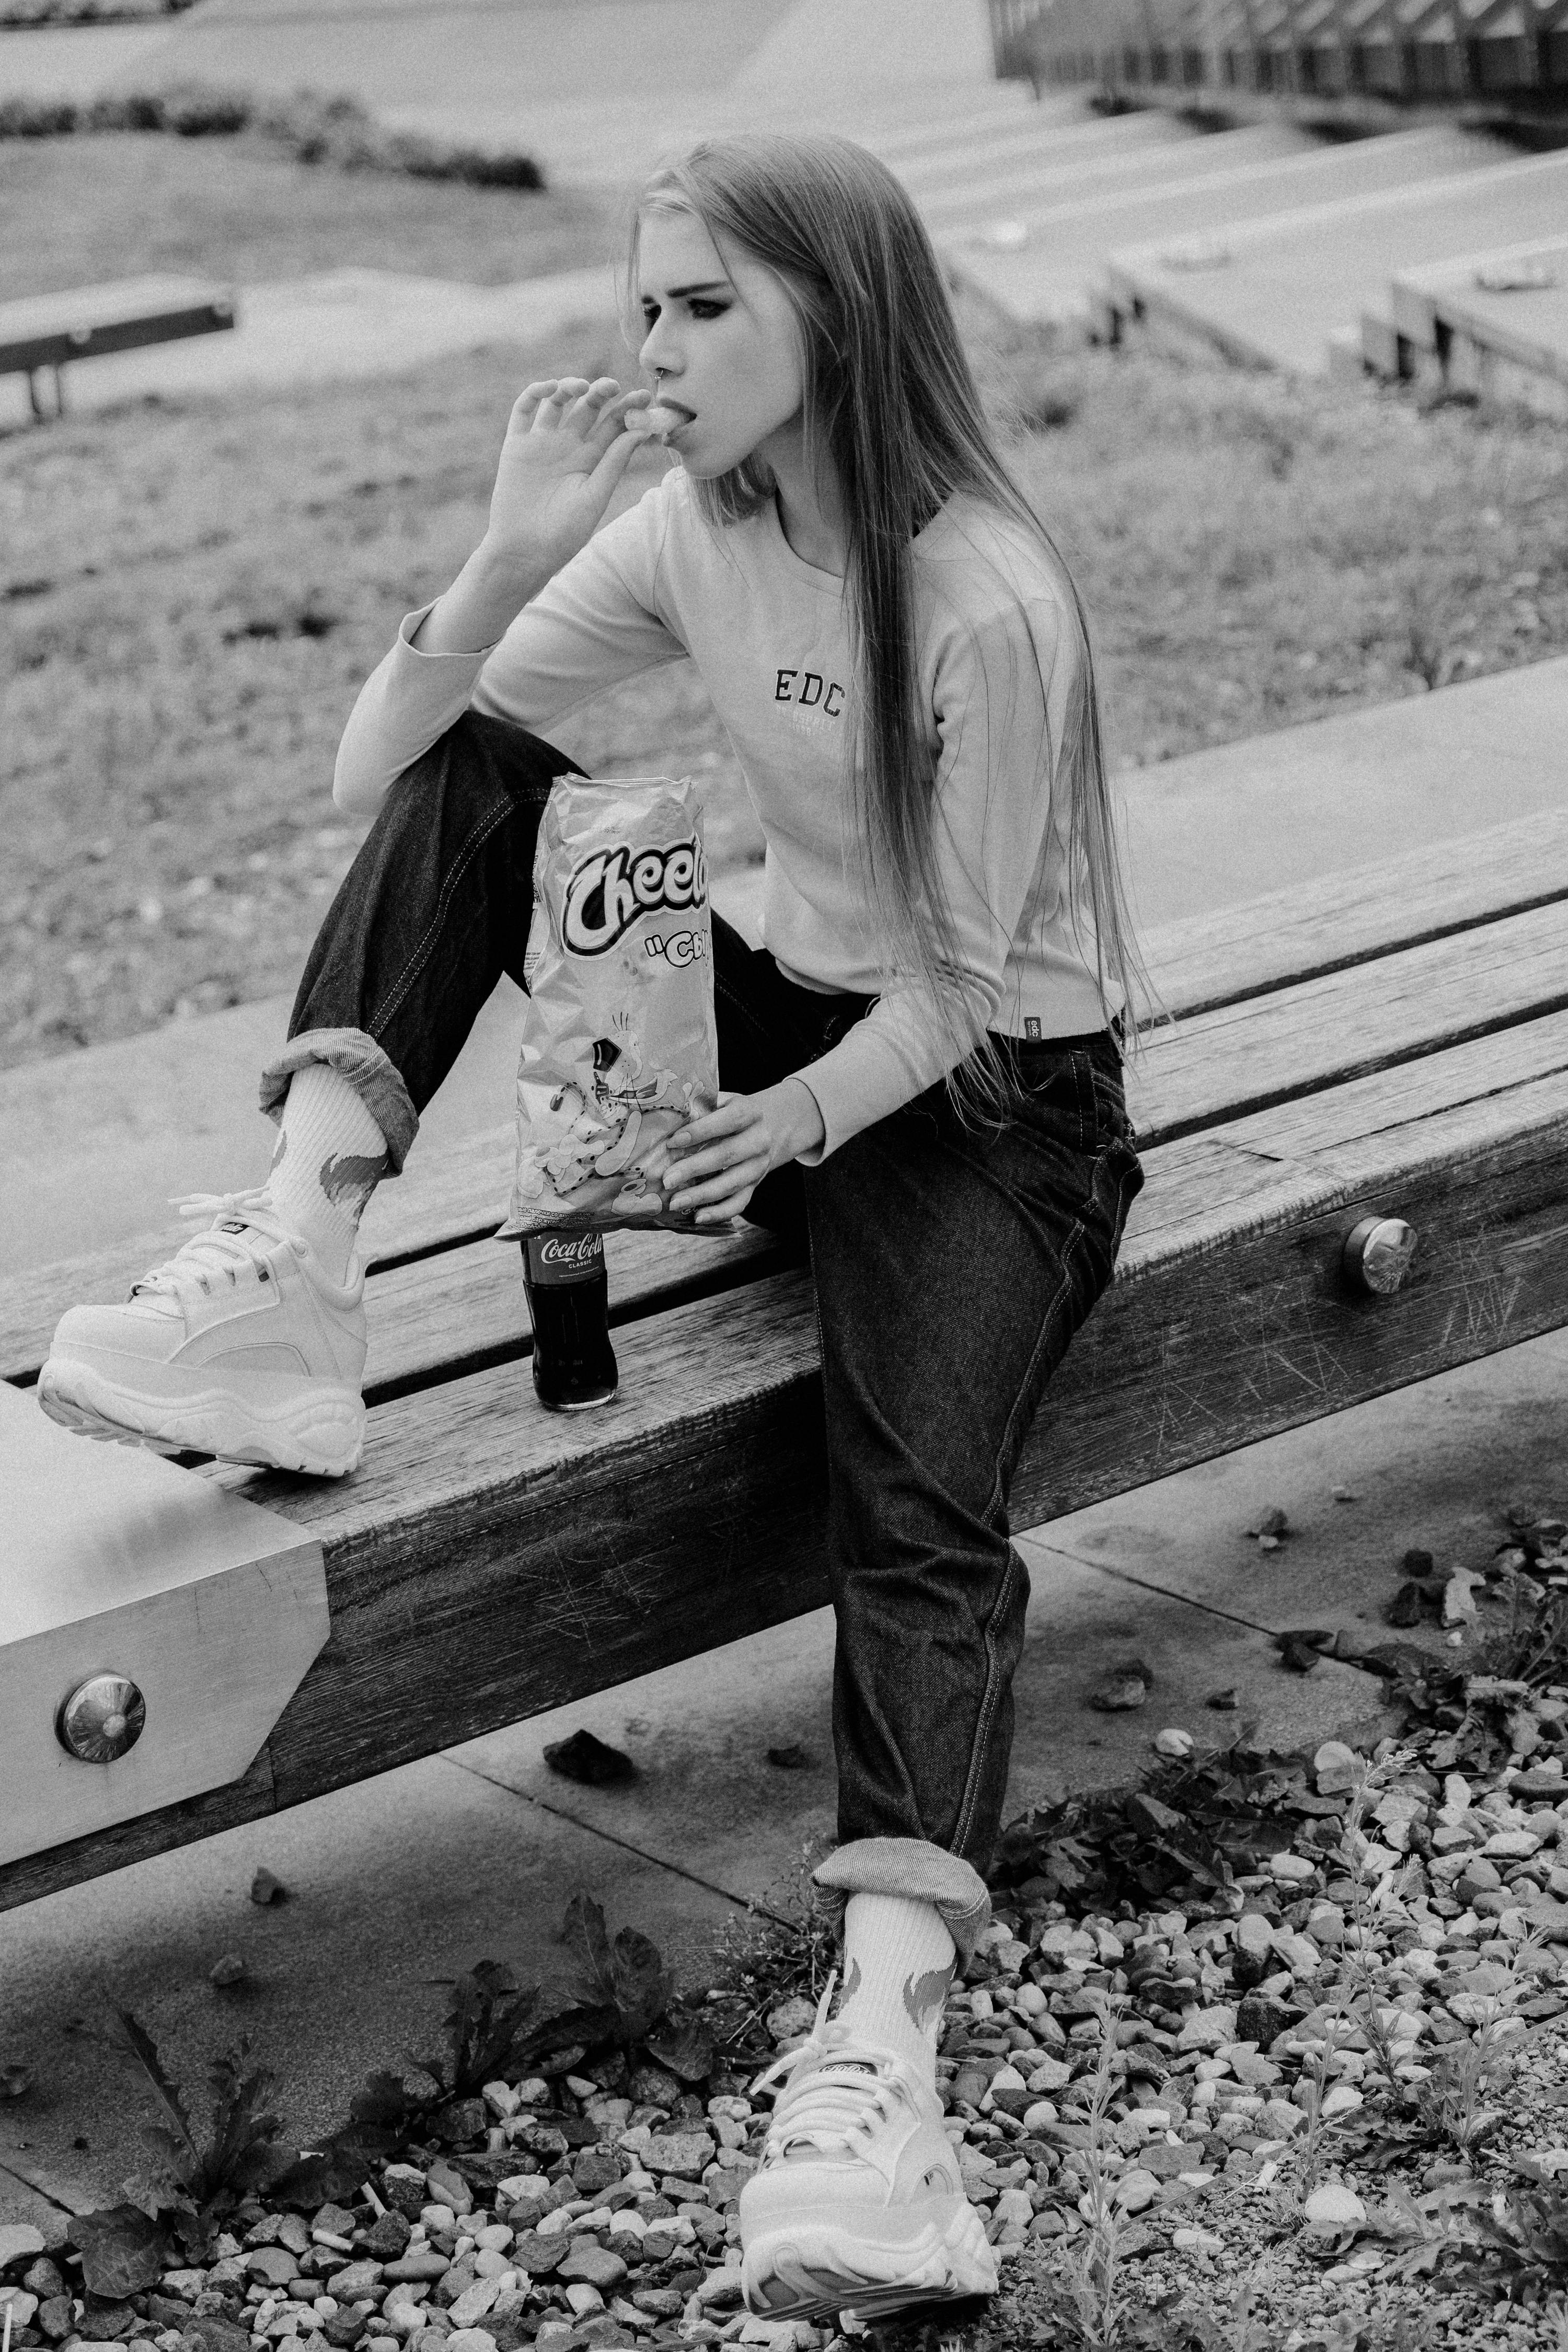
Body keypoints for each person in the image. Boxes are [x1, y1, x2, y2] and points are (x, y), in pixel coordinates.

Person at [40, 132, 1145, 2324]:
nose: (649, 349)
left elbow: (976, 983)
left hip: (994, 1097)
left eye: (701, 308)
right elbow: (389, 778)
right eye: (641, 303)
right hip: (793, 1028)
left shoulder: (986, 592)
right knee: (490, 761)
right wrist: (500, 552)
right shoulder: (689, 525)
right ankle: (302, 1251)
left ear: (838, 315)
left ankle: (884, 2074)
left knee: (917, 1501)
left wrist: (783, 1133)